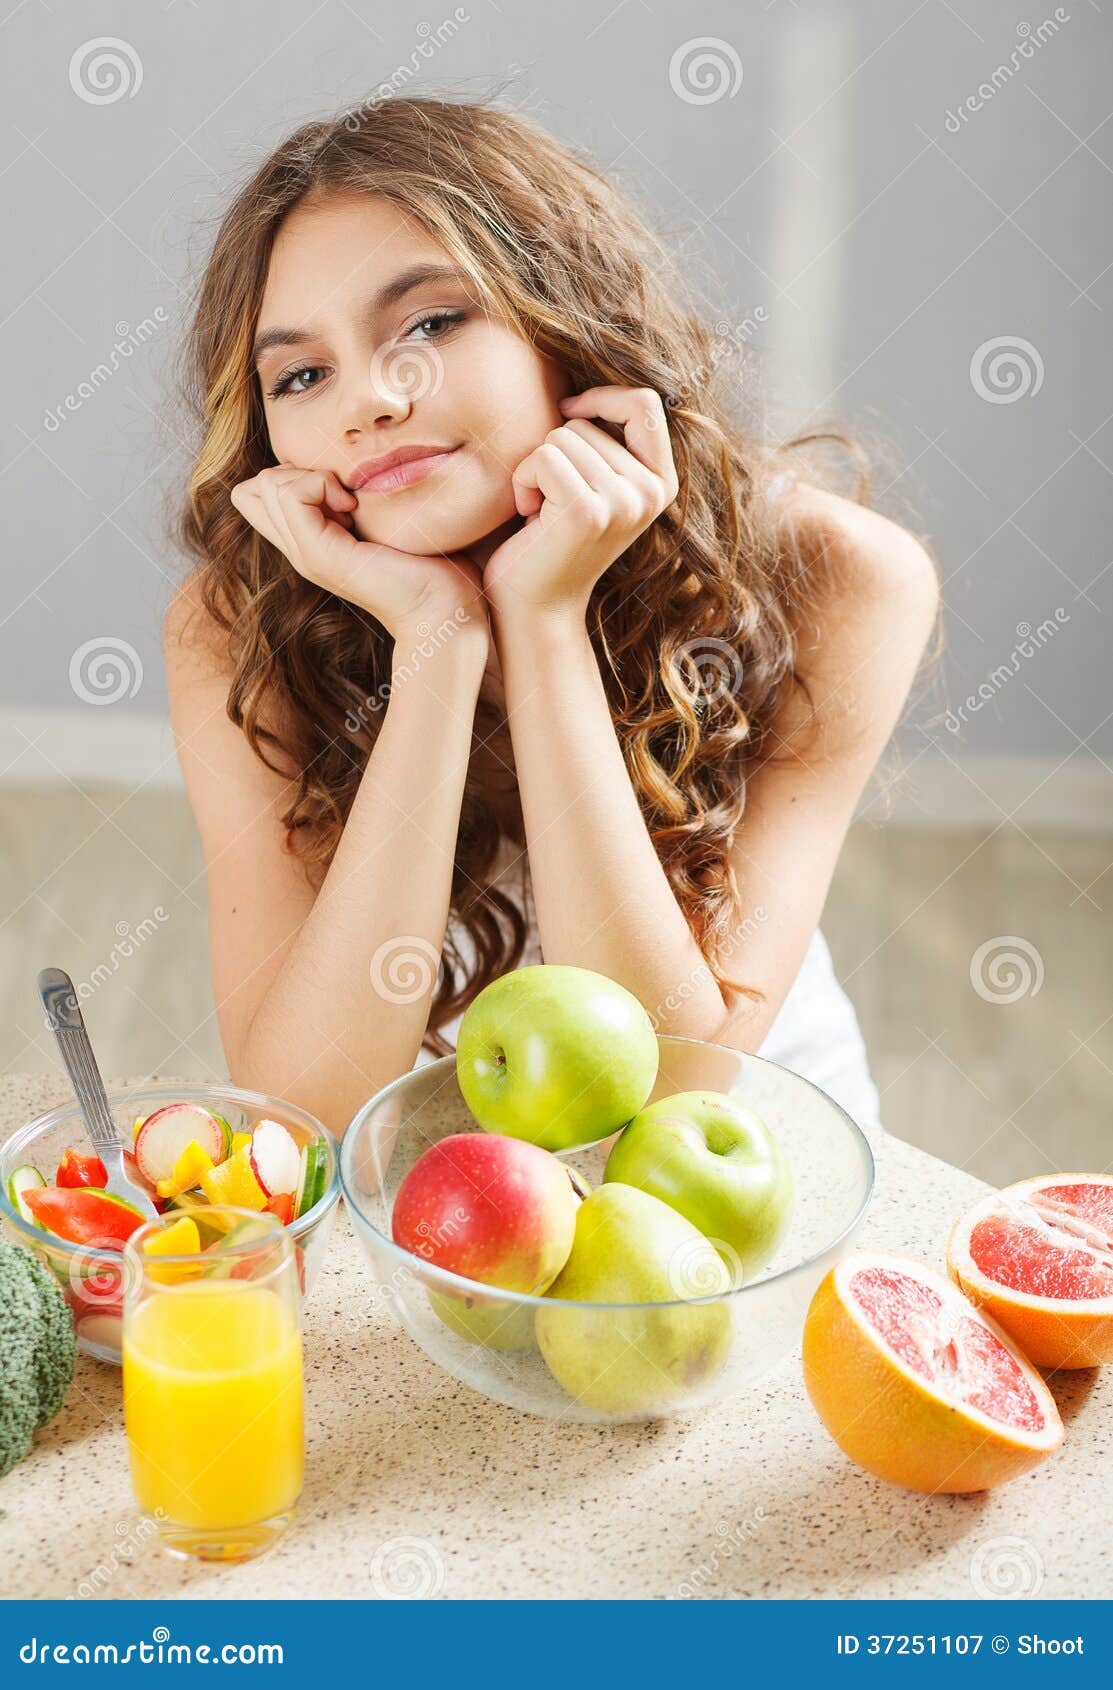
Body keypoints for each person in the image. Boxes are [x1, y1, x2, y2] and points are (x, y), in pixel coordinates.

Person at [163, 94, 940, 1147]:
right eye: (303, 374)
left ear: (568, 320)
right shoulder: (235, 628)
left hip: (741, 1154)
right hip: (448, 1171)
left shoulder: (837, 578)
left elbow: (661, 1085)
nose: (369, 401)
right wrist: (437, 644)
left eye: (431, 322)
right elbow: (308, 1112)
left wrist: (546, 618)